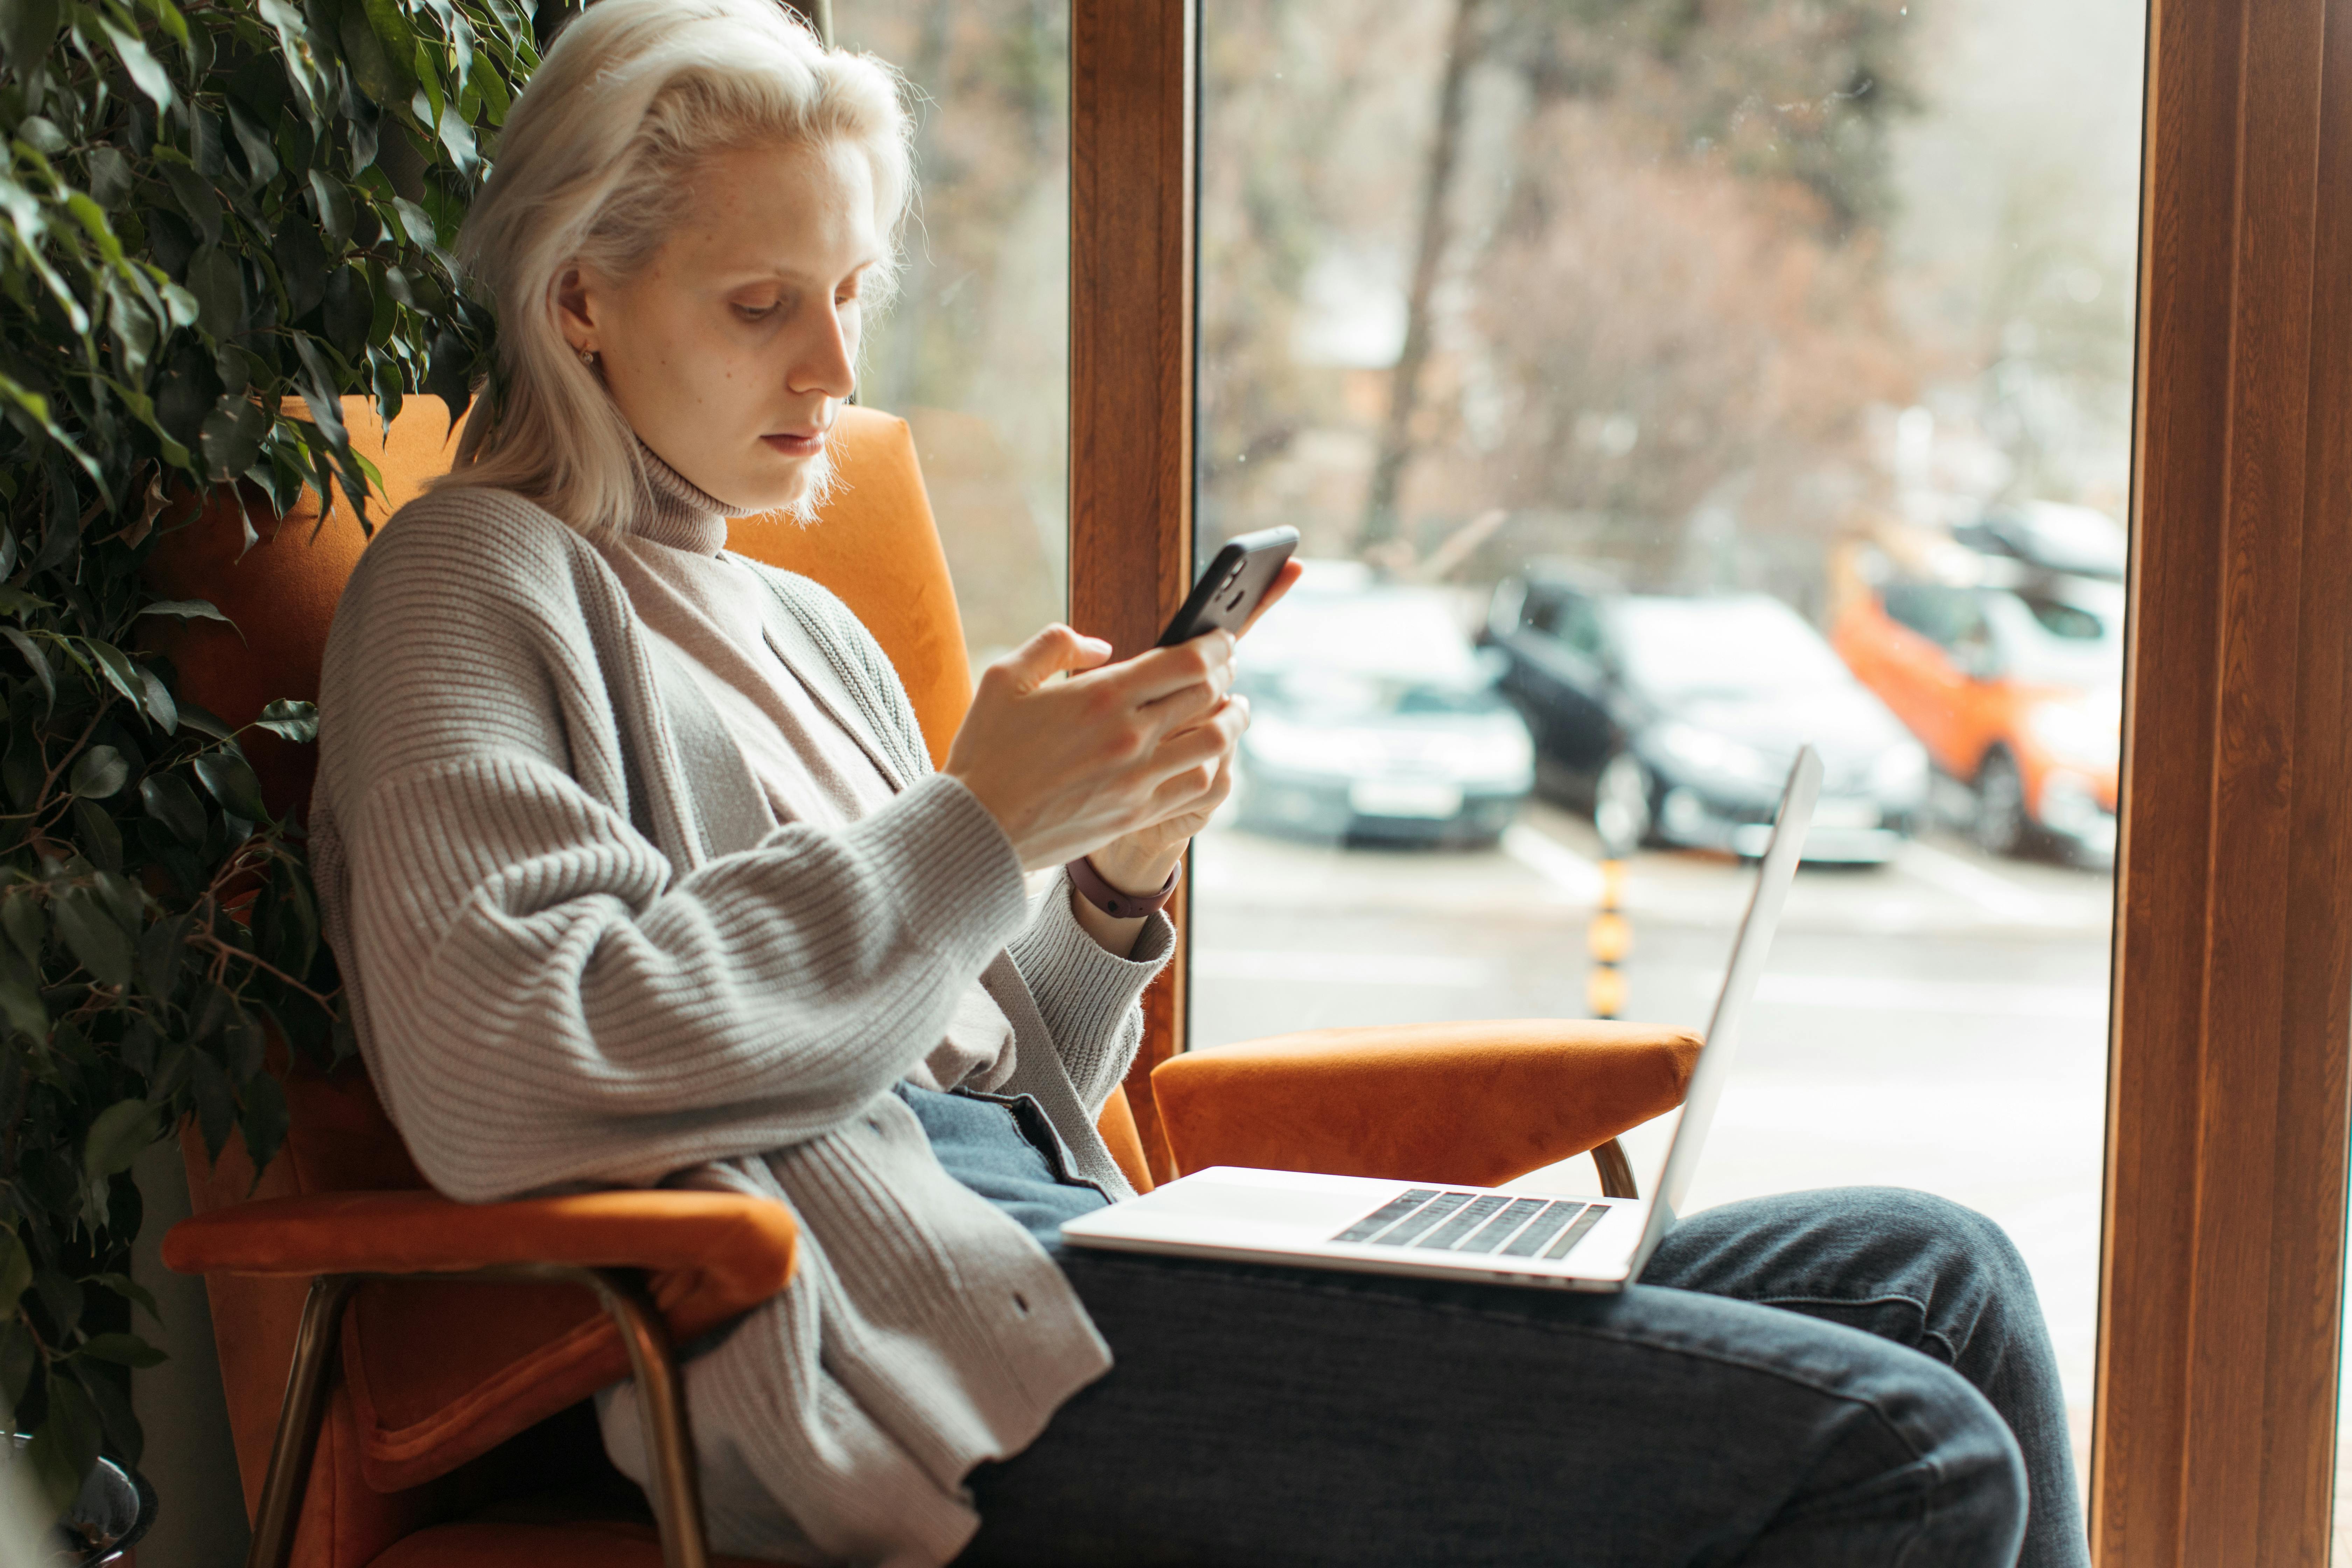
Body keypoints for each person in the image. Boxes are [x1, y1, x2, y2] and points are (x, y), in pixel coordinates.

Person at [308, 1, 2092, 1563]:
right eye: (763, 302)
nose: (837, 371)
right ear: (581, 303)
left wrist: (1100, 888)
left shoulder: (803, 626)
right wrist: (978, 825)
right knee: (1903, 1450)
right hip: (902, 1358)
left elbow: (1000, 1083)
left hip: (1065, 1253)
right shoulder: (476, 581)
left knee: (1947, 1276)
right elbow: (505, 1064)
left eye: (850, 294)